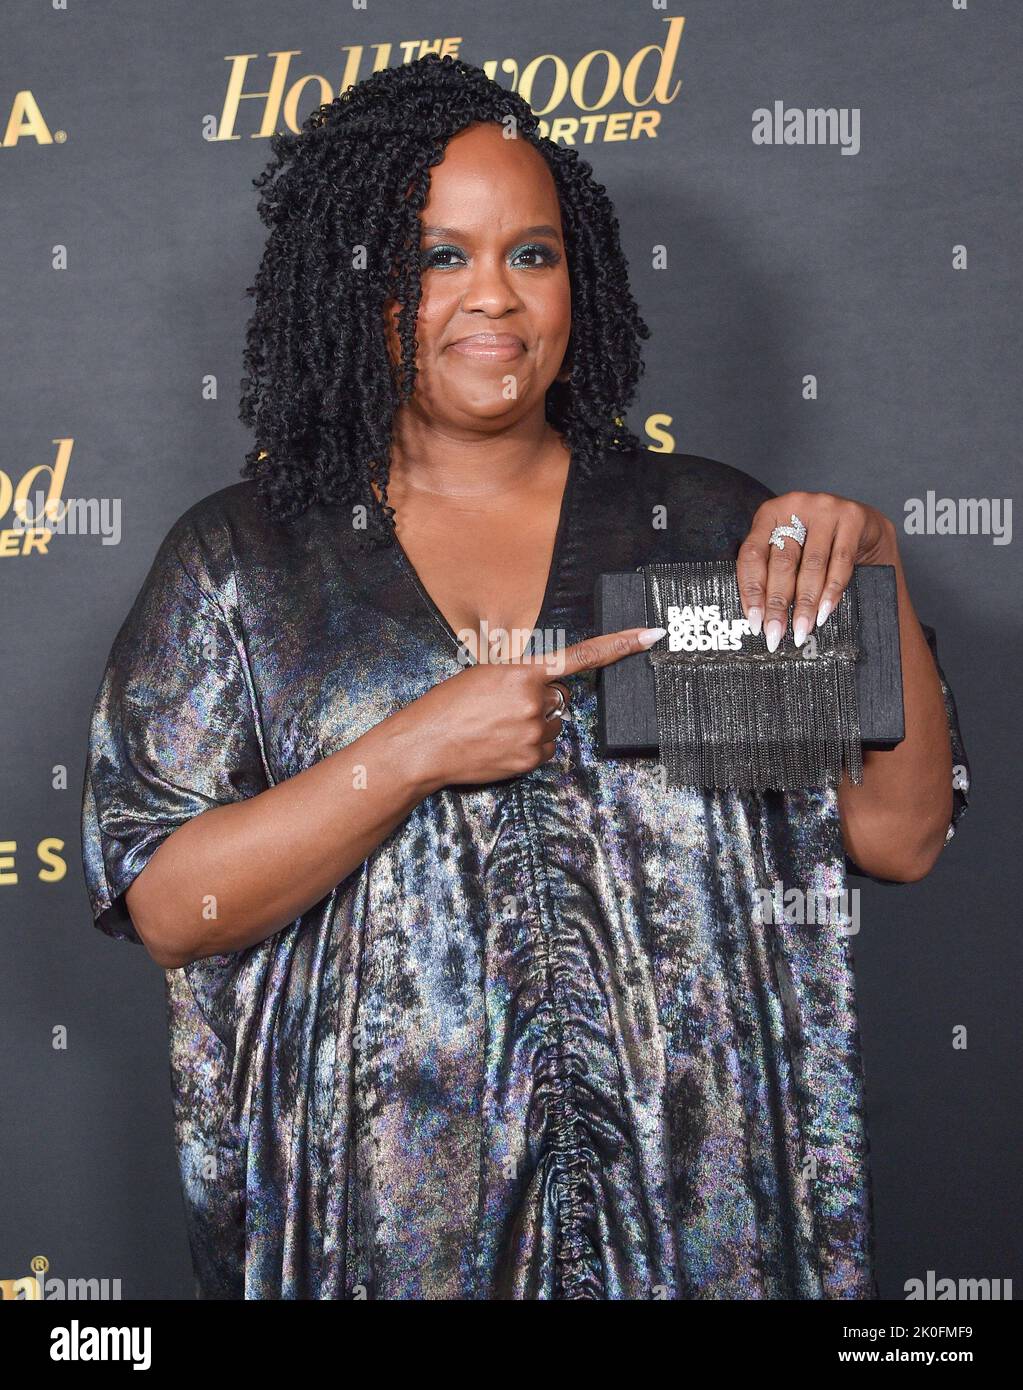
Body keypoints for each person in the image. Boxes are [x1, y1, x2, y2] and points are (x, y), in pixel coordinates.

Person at [81, 54, 969, 1300]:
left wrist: (877, 571)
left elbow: (900, 835)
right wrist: (416, 745)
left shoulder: (704, 524)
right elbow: (174, 908)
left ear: (580, 276)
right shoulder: (247, 556)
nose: (492, 298)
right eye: (439, 257)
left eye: (531, 254)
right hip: (391, 1217)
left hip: (691, 1206)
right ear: (357, 286)